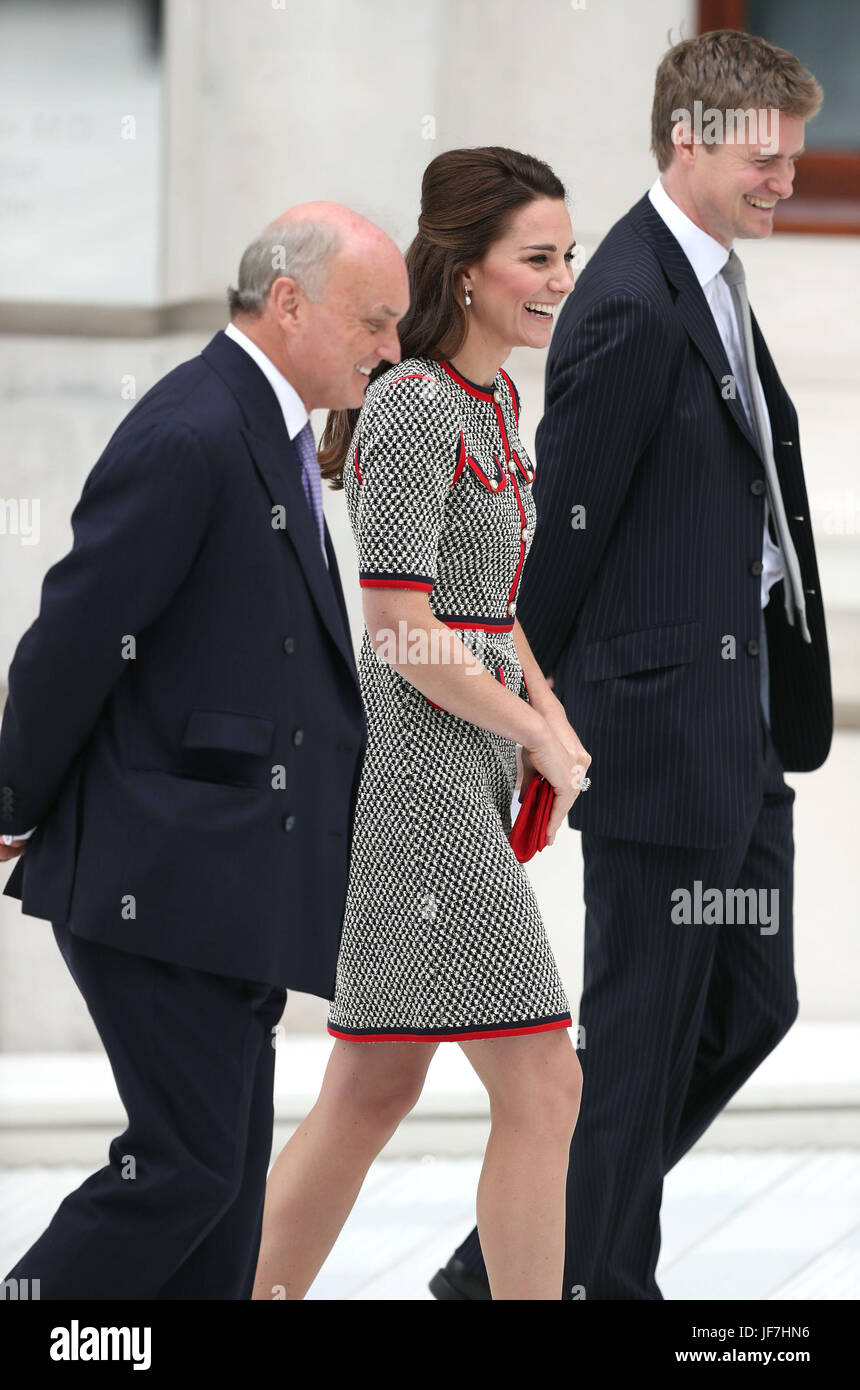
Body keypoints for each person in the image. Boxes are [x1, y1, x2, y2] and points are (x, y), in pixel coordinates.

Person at [435, 30, 833, 1301]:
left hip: (737, 727)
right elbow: (562, 539)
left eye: (791, 155)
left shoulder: (704, 274)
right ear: (689, 141)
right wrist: (518, 721)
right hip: (656, 737)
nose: (786, 177)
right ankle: (595, 1282)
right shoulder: (624, 298)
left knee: (748, 1001)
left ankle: (501, 1259)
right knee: (645, 1025)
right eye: (764, 158)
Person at [0, 202, 407, 1298]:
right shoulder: (191, 429)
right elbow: (74, 637)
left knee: (220, 1192)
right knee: (180, 1168)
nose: (391, 347)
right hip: (160, 875)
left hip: (228, 887)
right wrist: (8, 806)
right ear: (287, 303)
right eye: (373, 319)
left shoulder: (265, 426)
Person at [251, 147, 591, 1302]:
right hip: (416, 783)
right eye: (535, 258)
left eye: (567, 256)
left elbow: (491, 606)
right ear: (466, 270)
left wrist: (546, 716)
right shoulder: (409, 406)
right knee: (544, 1080)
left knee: (371, 1087)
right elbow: (397, 626)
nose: (558, 278)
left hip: (469, 764)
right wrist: (529, 728)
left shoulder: (496, 401)